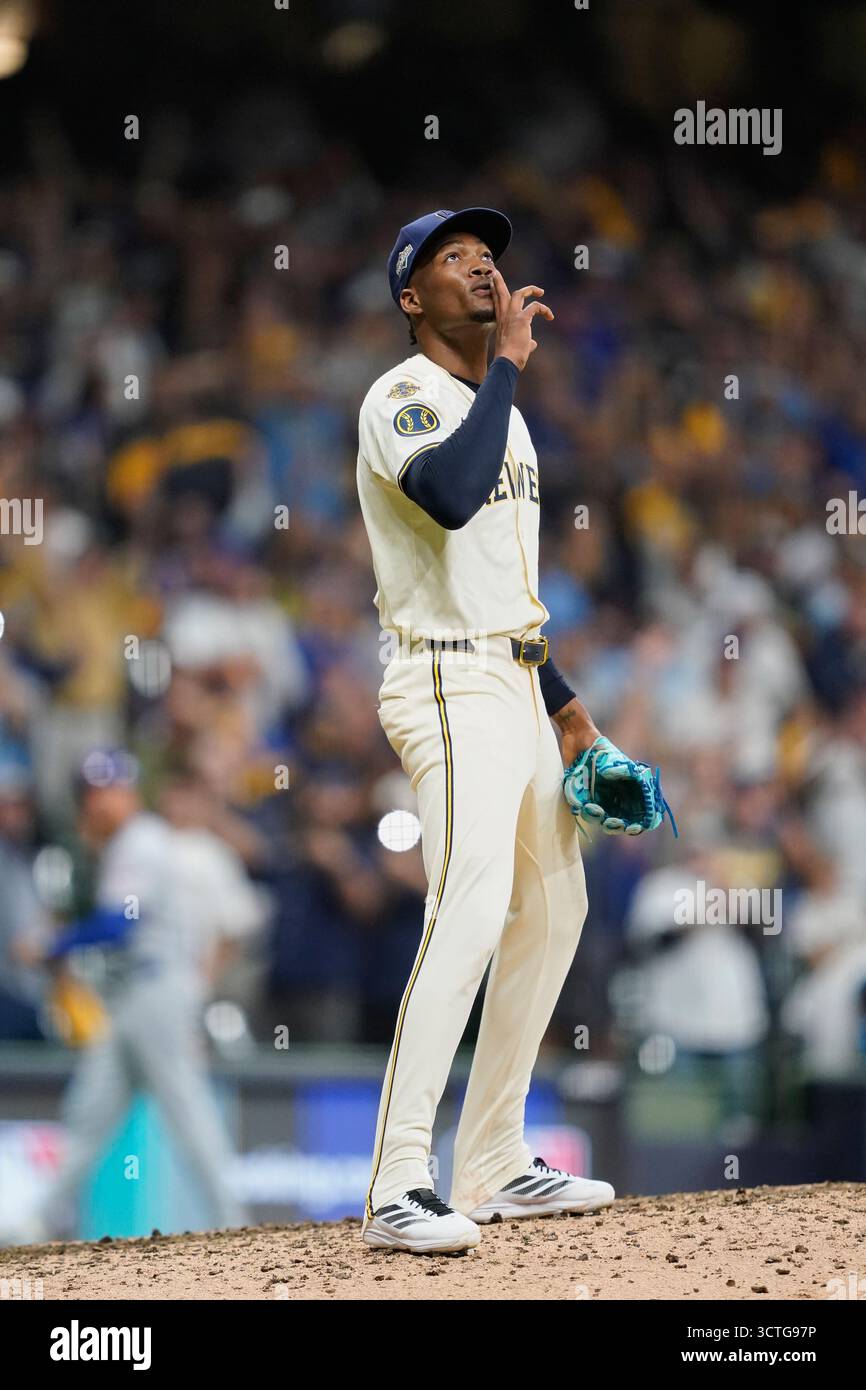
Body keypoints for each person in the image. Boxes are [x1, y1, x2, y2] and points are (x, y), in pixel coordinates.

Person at [355, 208, 618, 1253]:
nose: (481, 269)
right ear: (411, 297)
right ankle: (393, 1181)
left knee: (552, 908)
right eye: (453, 259)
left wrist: (563, 704)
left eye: (489, 258)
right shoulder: (402, 396)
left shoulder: (499, 413)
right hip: (441, 685)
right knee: (466, 905)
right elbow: (450, 500)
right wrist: (506, 365)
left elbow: (506, 589)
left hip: (509, 681)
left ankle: (496, 1159)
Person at [15, 751, 247, 1240]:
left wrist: (52, 944)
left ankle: (232, 1218)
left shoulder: (142, 838)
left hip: (157, 991)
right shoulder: (124, 842)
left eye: (112, 788)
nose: (105, 800)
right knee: (90, 1113)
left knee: (185, 1105)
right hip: (128, 998)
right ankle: (36, 1221)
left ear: (130, 791)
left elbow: (122, 921)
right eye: (96, 792)